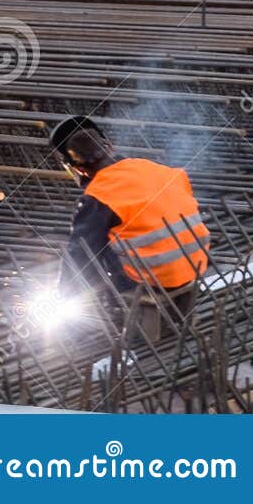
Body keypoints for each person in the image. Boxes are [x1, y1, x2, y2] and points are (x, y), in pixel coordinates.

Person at [50, 116, 209, 340]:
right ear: (110, 146)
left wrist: (65, 302)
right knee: (123, 229)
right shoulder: (157, 169)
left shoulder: (98, 196)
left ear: (76, 169)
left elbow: (79, 256)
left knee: (97, 248)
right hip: (195, 266)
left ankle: (128, 321)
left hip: (152, 282)